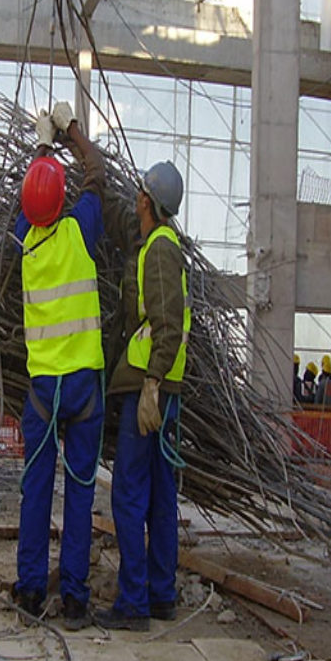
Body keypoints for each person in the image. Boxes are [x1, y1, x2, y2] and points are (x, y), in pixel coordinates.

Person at [12, 101, 105, 632]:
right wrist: (72, 133)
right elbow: (97, 177)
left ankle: (29, 591)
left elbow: (31, 200)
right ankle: (74, 597)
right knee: (81, 492)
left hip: (44, 389)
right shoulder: (79, 232)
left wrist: (41, 144)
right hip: (85, 391)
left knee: (36, 489)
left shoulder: (27, 241)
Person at [96, 160, 190, 632]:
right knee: (158, 495)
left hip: (149, 391)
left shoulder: (159, 251)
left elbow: (167, 323)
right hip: (160, 389)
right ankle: (160, 595)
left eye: (140, 195)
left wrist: (151, 383)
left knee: (130, 495)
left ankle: (133, 602)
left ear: (151, 203)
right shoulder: (156, 245)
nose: (134, 201)